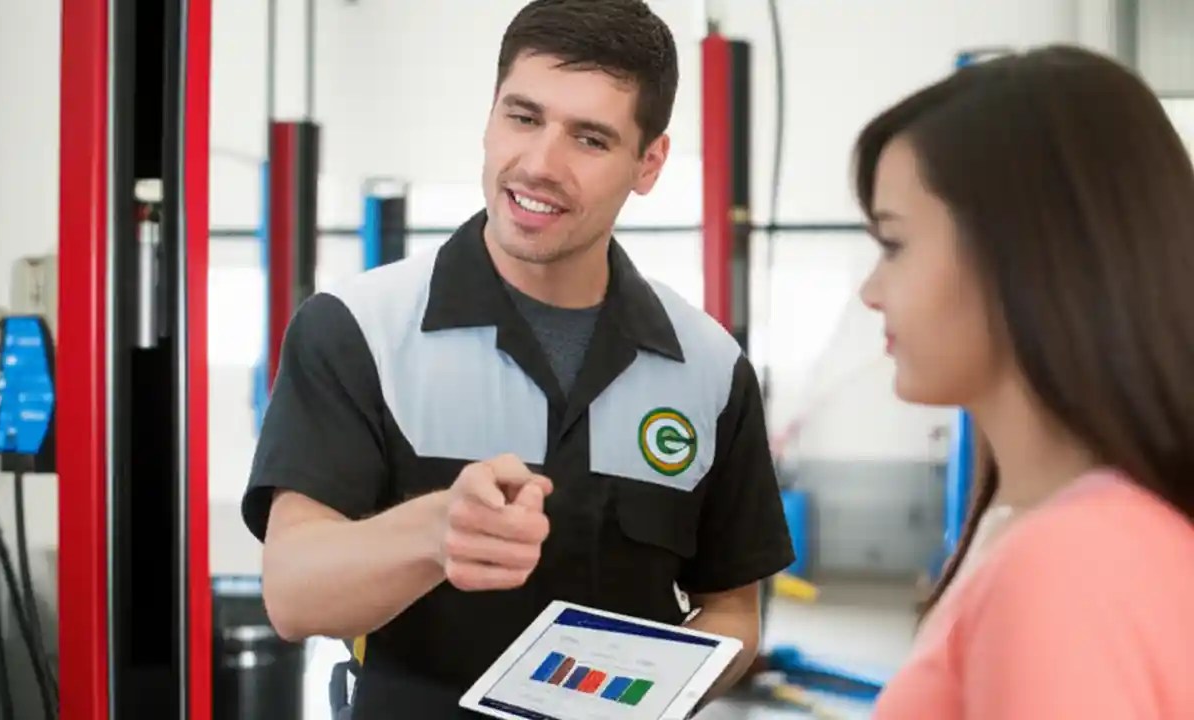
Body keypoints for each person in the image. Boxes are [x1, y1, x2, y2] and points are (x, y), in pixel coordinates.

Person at [240, 1, 795, 717]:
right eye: (523, 117)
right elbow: (293, 594)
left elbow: (734, 616)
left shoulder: (709, 368)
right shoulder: (358, 332)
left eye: (590, 139)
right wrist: (435, 533)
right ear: (490, 116)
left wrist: (629, 700)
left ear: (648, 163)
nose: (539, 164)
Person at [856, 45, 1194, 718]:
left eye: (893, 245)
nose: (871, 291)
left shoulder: (1063, 566)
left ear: (1019, 253)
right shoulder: (1125, 529)